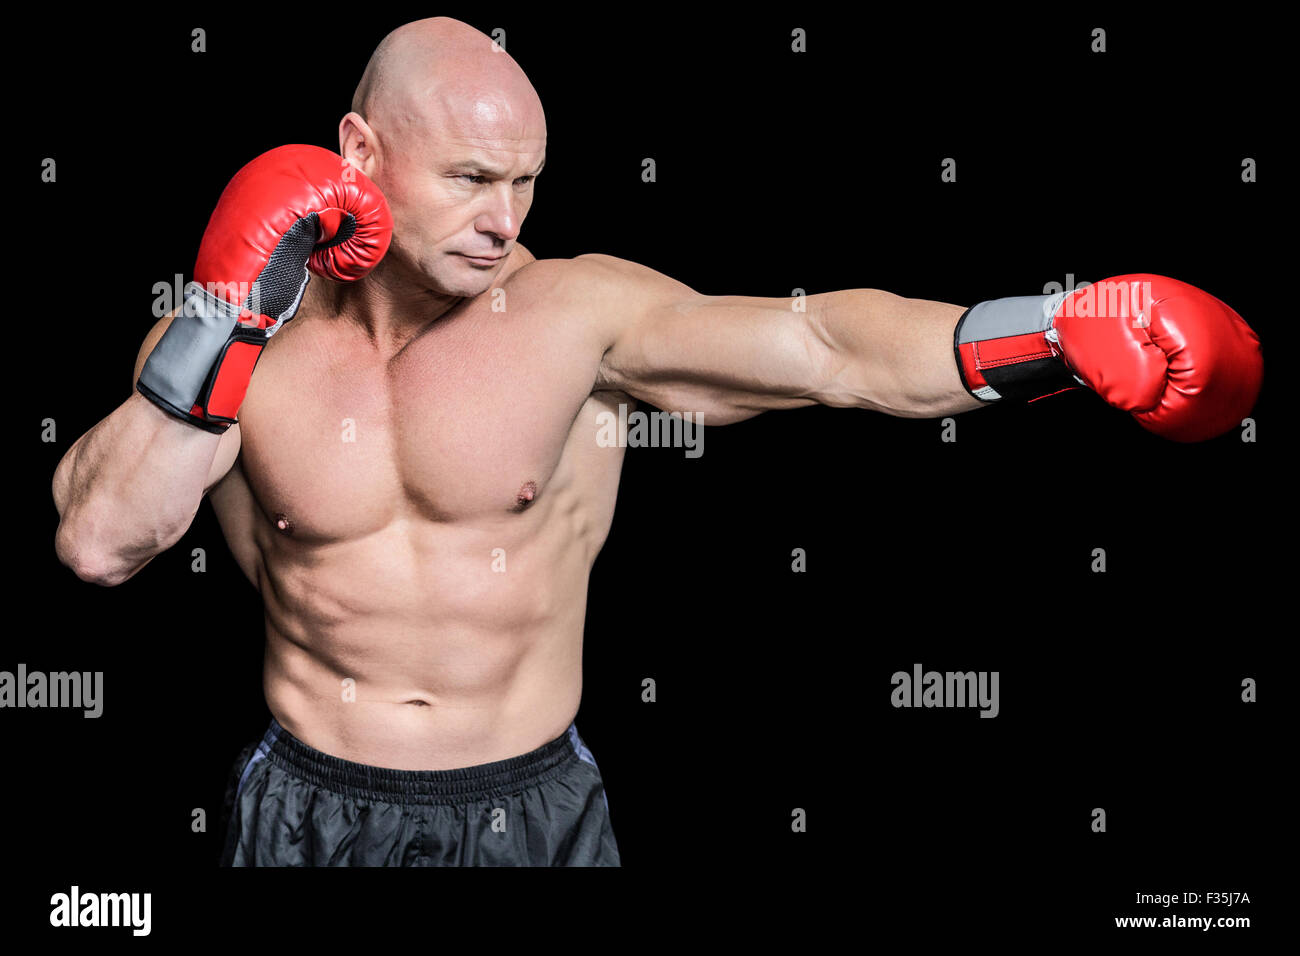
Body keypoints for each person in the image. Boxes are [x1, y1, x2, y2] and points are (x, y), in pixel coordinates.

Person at [50, 18, 1263, 866]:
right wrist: (226, 315)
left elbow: (826, 348)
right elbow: (102, 544)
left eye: (525, 182)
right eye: (473, 177)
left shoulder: (581, 314)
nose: (503, 220)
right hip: (301, 803)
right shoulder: (229, 334)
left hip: (526, 811)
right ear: (358, 153)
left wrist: (1047, 331)